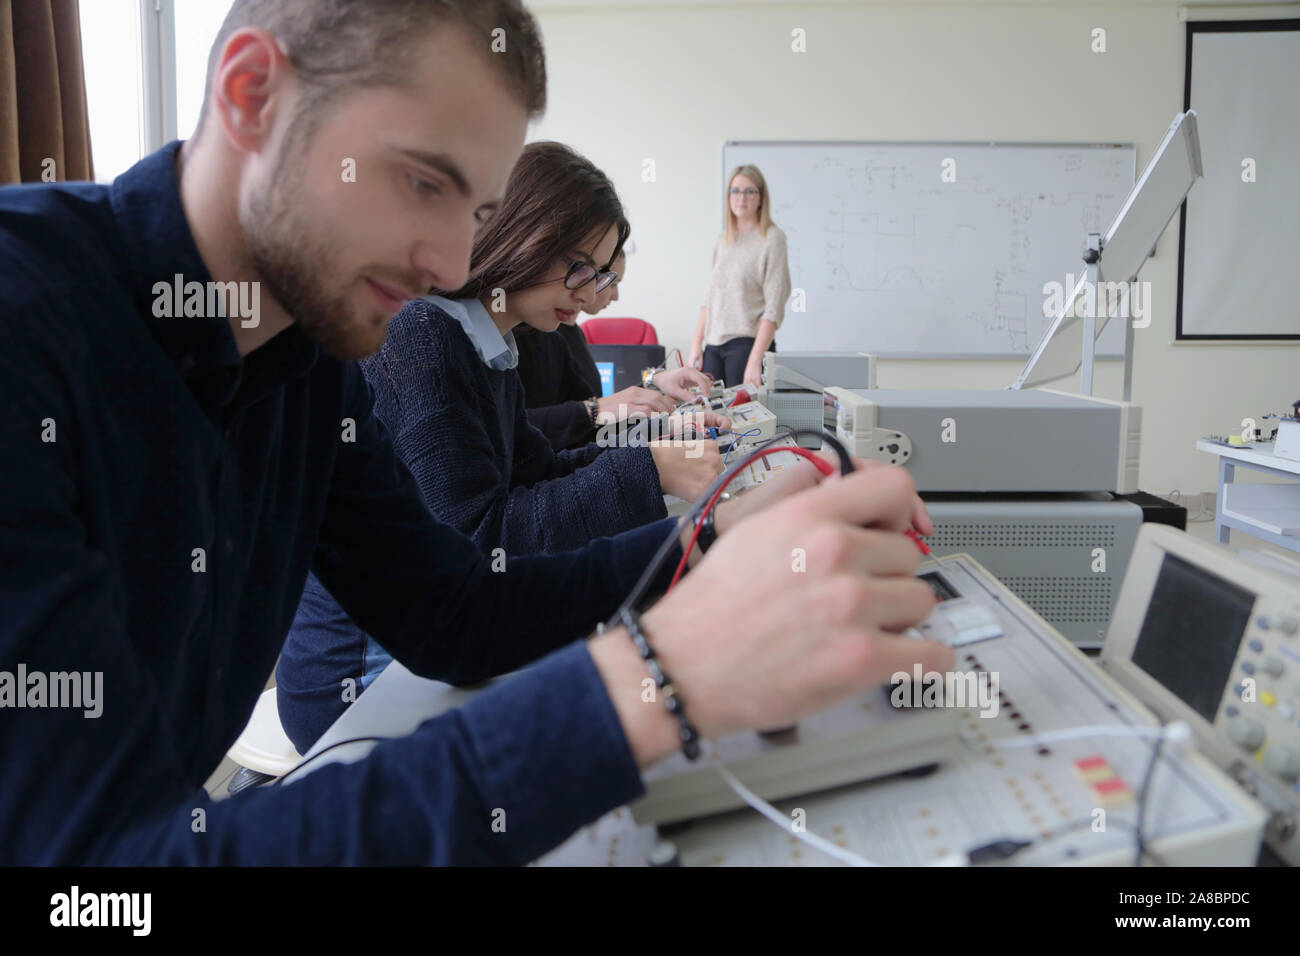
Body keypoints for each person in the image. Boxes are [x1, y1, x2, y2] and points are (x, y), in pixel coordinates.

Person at [0, 0, 950, 865]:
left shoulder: (304, 359)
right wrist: (658, 682)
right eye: (423, 183)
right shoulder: (25, 319)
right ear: (253, 95)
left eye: (480, 213)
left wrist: (708, 543)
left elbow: (454, 610)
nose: (452, 261)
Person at [276, 142, 728, 750]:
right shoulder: (423, 335)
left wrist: (654, 463)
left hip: (426, 646)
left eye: (601, 274)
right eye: (584, 268)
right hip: (361, 675)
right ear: (521, 234)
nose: (594, 292)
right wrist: (648, 472)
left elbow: (532, 475)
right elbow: (479, 542)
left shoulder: (485, 343)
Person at [516, 250, 714, 451]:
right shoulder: (529, 340)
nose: (613, 294)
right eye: (610, 282)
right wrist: (594, 410)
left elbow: (593, 428)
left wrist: (654, 388)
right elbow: (518, 434)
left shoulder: (566, 333)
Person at [688, 165, 791, 388]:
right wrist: (697, 343)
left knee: (741, 419)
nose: (741, 197)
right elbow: (709, 298)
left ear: (761, 197)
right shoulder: (723, 239)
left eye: (749, 191)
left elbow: (774, 307)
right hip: (713, 346)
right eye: (735, 191)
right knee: (709, 418)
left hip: (747, 345)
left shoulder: (772, 238)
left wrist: (755, 361)